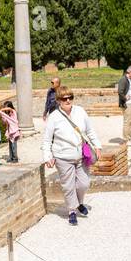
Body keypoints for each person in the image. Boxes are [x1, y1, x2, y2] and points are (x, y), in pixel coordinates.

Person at [41, 87, 98, 226]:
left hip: (81, 155)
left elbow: (90, 130)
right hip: (62, 156)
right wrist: (47, 156)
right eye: (64, 98)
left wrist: (97, 145)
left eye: (70, 97)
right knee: (68, 186)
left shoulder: (80, 111)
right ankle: (72, 210)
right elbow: (47, 140)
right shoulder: (54, 117)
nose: (67, 100)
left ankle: (78, 203)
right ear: (58, 100)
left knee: (84, 183)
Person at [117, 65, 131, 142]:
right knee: (127, 121)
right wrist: (125, 98)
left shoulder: (130, 80)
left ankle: (129, 137)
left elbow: (129, 90)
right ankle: (126, 140)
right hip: (126, 104)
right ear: (130, 72)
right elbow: (120, 91)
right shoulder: (123, 79)